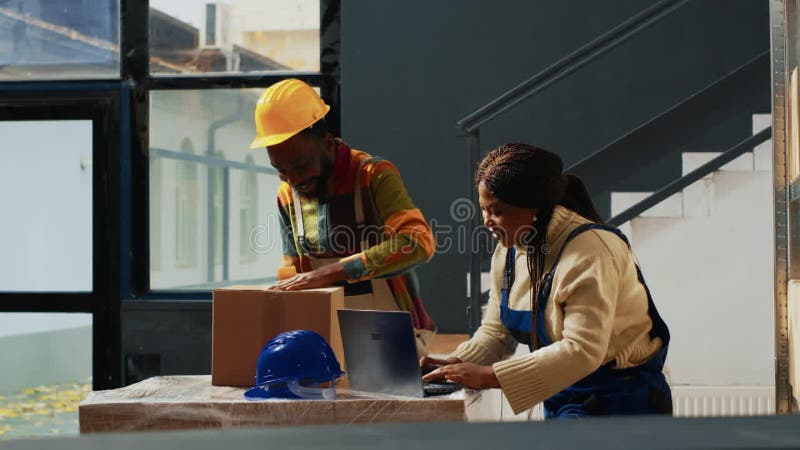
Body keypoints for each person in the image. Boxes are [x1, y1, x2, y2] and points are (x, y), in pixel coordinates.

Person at [421, 143, 671, 418]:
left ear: (534, 208)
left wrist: (490, 375)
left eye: (497, 211)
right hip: (566, 392)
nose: (487, 222)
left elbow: (581, 350)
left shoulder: (591, 251)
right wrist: (454, 364)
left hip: (623, 400)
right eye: (483, 210)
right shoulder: (509, 251)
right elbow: (496, 333)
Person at [249, 78, 436, 356]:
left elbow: (418, 242)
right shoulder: (287, 195)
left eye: (300, 165)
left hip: (391, 335)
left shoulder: (373, 175)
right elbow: (294, 270)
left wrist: (330, 273)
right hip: (323, 336)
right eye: (280, 169)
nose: (293, 178)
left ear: (326, 142)